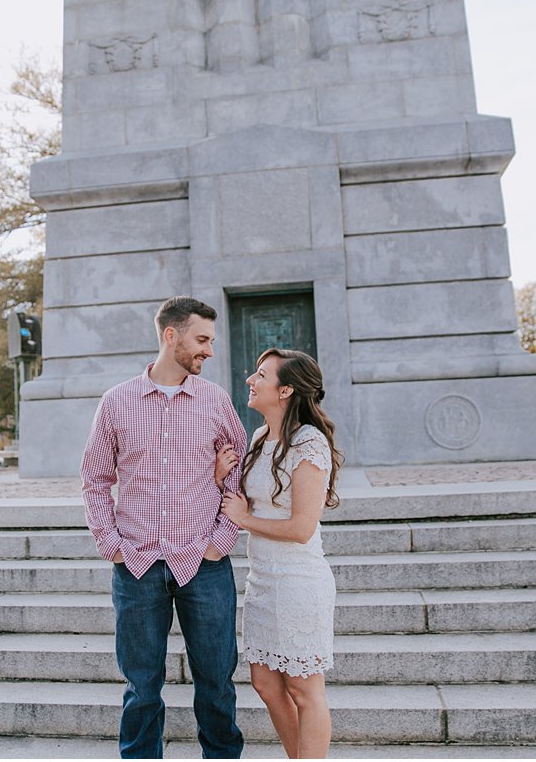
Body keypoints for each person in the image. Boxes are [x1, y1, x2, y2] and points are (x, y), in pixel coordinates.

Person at [81, 296, 249, 759]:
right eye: (201, 340)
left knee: (216, 683)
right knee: (142, 688)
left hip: (205, 563)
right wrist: (110, 544)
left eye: (210, 341)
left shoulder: (215, 400)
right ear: (170, 336)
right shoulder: (116, 402)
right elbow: (95, 479)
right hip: (137, 565)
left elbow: (239, 471)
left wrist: (221, 541)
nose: (209, 351)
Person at [217, 348, 343, 759]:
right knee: (267, 685)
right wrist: (222, 479)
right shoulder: (258, 438)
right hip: (263, 580)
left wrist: (243, 520)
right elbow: (249, 505)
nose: (250, 380)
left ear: (286, 389)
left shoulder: (310, 443)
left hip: (299, 581)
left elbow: (301, 528)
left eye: (261, 374)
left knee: (304, 689)